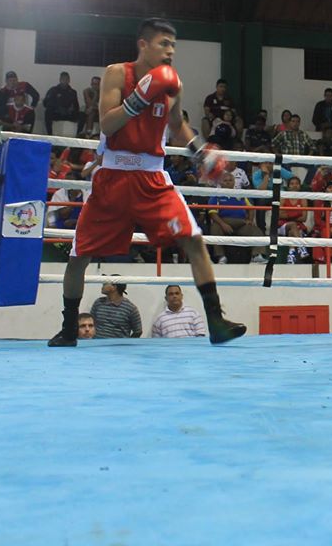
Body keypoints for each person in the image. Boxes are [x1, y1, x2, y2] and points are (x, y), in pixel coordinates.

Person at [49, 18, 245, 347]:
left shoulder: (173, 84)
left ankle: (215, 321)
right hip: (112, 178)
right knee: (79, 255)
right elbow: (108, 125)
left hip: (152, 178)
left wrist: (201, 152)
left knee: (194, 241)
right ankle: (69, 329)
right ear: (143, 44)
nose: (170, 50)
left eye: (173, 45)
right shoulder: (116, 74)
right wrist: (138, 98)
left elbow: (177, 124)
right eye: (163, 44)